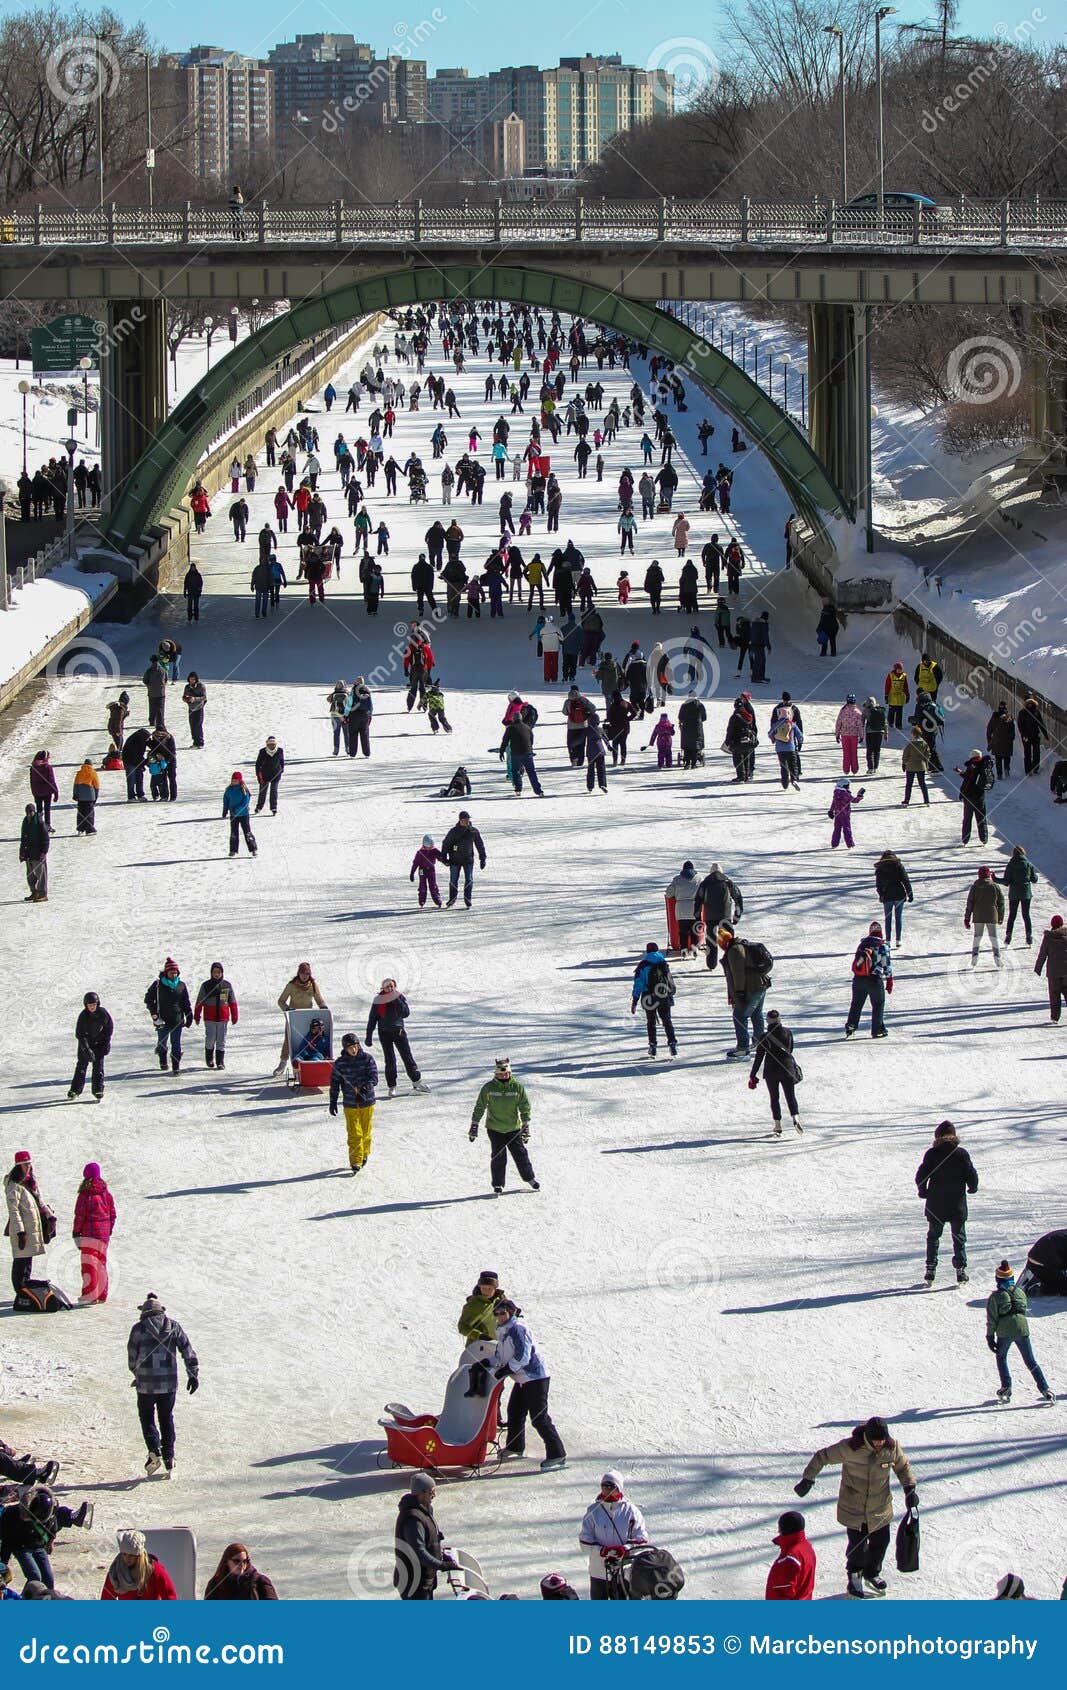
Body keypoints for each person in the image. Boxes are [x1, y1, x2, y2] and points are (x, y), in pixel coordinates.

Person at [794, 1416, 918, 1599]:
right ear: (867, 1436)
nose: (879, 1443)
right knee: (858, 1548)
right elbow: (822, 1456)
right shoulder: (850, 1447)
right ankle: (854, 1576)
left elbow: (903, 1467)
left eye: (882, 1439)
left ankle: (871, 1573)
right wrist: (808, 1479)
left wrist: (909, 1490)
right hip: (854, 1508)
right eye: (875, 1439)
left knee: (881, 1543)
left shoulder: (891, 1448)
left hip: (880, 1507)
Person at [127, 1292, 199, 1478]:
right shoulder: (174, 1327)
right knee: (166, 1417)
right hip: (168, 1384)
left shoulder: (138, 1329)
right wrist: (193, 1374)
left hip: (146, 1385)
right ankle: (169, 1456)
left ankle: (154, 1451)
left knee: (147, 1417)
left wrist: (137, 1373)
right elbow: (187, 1350)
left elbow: (132, 1357)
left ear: (144, 1312)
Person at [493, 1299, 565, 1469]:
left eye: (503, 1313)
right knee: (515, 1411)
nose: (499, 1317)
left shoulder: (518, 1329)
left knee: (539, 1418)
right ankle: (515, 1446)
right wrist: (488, 1363)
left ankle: (557, 1454)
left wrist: (507, 1369)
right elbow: (500, 1354)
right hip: (522, 1379)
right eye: (496, 1314)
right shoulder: (503, 1331)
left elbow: (523, 1356)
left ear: (510, 1312)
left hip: (535, 1378)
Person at [915, 1121, 978, 1287]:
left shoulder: (932, 1154)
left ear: (937, 1136)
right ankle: (960, 1271)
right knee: (959, 1237)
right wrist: (973, 1187)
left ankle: (930, 1269)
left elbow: (921, 1175)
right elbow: (971, 1174)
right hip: (957, 1204)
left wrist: (923, 1191)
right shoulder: (961, 1154)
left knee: (933, 1237)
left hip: (936, 1204)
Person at [986, 1261, 1054, 1404]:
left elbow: (992, 1318)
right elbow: (1022, 1309)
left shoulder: (996, 1297)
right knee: (1030, 1361)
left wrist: (990, 1336)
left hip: (1005, 1331)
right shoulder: (1020, 1292)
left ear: (998, 1279)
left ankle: (1006, 1387)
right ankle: (1045, 1389)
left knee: (1001, 1357)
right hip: (1022, 1328)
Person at [469, 1057, 537, 1195]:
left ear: (510, 1073)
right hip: (495, 1128)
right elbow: (480, 1106)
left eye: (506, 1073)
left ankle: (530, 1178)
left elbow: (525, 1106)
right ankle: (498, 1184)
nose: (503, 1076)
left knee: (521, 1154)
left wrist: (525, 1124)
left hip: (513, 1128)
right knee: (498, 1157)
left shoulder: (517, 1087)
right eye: (500, 1074)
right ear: (496, 1073)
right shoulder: (488, 1088)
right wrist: (474, 1124)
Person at [0, 1488, 91, 1590]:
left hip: (38, 1544)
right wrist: (3, 1563)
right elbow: (7, 1540)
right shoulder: (12, 1515)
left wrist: (51, 1540)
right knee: (35, 1577)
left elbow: (53, 1524)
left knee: (48, 1580)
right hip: (20, 1546)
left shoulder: (52, 1508)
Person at [579, 1473, 649, 1599]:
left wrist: (626, 1549)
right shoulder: (593, 1511)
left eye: (610, 1486)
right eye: (603, 1486)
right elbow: (584, 1542)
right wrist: (602, 1551)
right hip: (598, 1572)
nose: (606, 1489)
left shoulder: (631, 1511)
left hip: (623, 1572)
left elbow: (642, 1539)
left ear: (619, 1487)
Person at [394, 1473, 458, 1600]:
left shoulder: (424, 1511)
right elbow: (419, 1553)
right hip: (414, 1585)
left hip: (424, 1582)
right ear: (421, 1493)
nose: (434, 1495)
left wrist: (440, 1554)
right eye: (431, 1492)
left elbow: (429, 1540)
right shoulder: (413, 1520)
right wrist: (441, 1565)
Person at [365, 980, 428, 1098]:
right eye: (386, 987)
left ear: (394, 987)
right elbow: (372, 1018)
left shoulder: (399, 997)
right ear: (382, 988)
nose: (389, 988)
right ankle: (392, 1085)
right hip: (384, 1032)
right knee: (390, 1060)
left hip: (398, 1031)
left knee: (407, 1057)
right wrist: (369, 1035)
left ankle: (416, 1081)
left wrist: (396, 1000)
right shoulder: (378, 1000)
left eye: (391, 986)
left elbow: (405, 1013)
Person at [328, 1033, 379, 1174]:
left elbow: (374, 1077)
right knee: (354, 1133)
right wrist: (333, 1101)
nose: (354, 1050)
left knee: (365, 1132)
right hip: (350, 1104)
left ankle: (364, 1153)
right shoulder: (340, 1063)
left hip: (367, 1102)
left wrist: (365, 1088)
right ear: (345, 1048)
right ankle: (356, 1160)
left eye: (355, 1046)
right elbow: (335, 1083)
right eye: (350, 1048)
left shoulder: (367, 1059)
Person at [748, 1010, 803, 1135]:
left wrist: (753, 1074)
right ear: (780, 1020)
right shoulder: (788, 1033)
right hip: (787, 1069)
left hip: (771, 1071)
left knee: (774, 1098)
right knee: (790, 1096)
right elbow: (791, 1049)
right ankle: (796, 1118)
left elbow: (759, 1058)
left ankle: (777, 1124)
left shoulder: (764, 1037)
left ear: (767, 1021)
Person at [5, 1154, 51, 1300]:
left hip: (31, 1230)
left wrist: (50, 1216)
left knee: (27, 1260)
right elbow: (14, 1211)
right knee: (21, 1260)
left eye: (30, 1164)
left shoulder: (31, 1183)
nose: (29, 1167)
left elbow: (40, 1203)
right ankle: (20, 1290)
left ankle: (25, 1290)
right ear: (19, 1166)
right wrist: (20, 1232)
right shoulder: (14, 1186)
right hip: (23, 1231)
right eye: (25, 1164)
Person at [718, 924, 769, 1057]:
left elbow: (738, 974)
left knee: (739, 1016)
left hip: (751, 988)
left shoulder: (734, 950)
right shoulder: (740, 945)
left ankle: (743, 1047)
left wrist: (739, 993)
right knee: (756, 1014)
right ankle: (759, 1043)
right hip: (760, 985)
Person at [72, 1161, 116, 1305]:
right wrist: (108, 1230)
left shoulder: (85, 1195)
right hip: (103, 1236)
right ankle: (102, 1295)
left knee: (89, 1265)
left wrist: (76, 1231)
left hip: (89, 1234)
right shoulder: (106, 1193)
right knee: (101, 1264)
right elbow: (113, 1214)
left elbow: (80, 1215)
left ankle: (89, 1295)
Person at [275, 962, 327, 1075]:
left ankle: (307, 1062)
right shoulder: (291, 985)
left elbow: (319, 999)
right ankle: (282, 1063)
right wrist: (287, 1009)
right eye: (302, 973)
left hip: (307, 1017)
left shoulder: (312, 985)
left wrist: (323, 1007)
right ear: (298, 973)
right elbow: (281, 1001)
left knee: (308, 1039)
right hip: (294, 1017)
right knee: (289, 1040)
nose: (304, 976)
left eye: (307, 974)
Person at [144, 957, 193, 1075]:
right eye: (171, 972)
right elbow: (148, 999)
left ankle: (176, 1067)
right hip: (162, 1020)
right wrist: (154, 1015)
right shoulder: (157, 985)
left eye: (176, 972)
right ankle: (163, 1060)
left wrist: (189, 1015)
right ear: (166, 972)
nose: (174, 974)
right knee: (162, 1041)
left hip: (177, 1019)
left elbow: (186, 1002)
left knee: (176, 1043)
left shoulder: (181, 985)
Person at [630, 941, 677, 1058]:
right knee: (667, 1020)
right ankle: (672, 1044)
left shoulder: (643, 965)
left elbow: (638, 985)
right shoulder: (663, 963)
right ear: (657, 950)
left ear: (647, 951)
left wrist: (635, 1001)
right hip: (663, 996)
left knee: (651, 1022)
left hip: (649, 997)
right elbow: (670, 981)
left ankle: (653, 1046)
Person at [846, 922, 892, 1039]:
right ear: (881, 933)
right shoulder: (882, 945)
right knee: (878, 1003)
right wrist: (889, 979)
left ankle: (851, 1026)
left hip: (859, 978)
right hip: (874, 979)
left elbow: (858, 961)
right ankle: (877, 1030)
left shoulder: (862, 944)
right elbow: (886, 964)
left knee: (856, 1003)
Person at [101, 1529, 179, 1599]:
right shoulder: (116, 1572)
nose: (127, 1558)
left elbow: (170, 1597)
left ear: (139, 1555)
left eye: (131, 1555)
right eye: (124, 1554)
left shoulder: (154, 1570)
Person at [68, 990, 112, 1101]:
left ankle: (98, 1089)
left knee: (98, 1067)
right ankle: (75, 1090)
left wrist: (106, 1043)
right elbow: (79, 1034)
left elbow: (109, 1028)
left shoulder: (103, 1013)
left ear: (97, 1004)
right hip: (85, 1043)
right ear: (86, 1005)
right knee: (81, 1067)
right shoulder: (83, 1016)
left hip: (99, 1043)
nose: (92, 1007)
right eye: (89, 1005)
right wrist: (86, 1049)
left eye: (94, 1005)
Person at [194, 963, 238, 1070]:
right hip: (210, 1017)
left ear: (222, 973)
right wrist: (197, 1015)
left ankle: (220, 1061)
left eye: (219, 972)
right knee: (210, 1038)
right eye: (214, 972)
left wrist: (234, 1014)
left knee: (221, 1040)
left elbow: (232, 1001)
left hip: (223, 1017)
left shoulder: (227, 985)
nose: (217, 974)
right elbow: (200, 1001)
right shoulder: (206, 985)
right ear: (211, 973)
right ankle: (209, 1059)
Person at [765, 1511, 816, 1600]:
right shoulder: (807, 1547)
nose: (778, 1531)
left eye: (780, 1528)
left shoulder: (789, 1560)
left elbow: (782, 1593)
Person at [441, 811, 486, 909]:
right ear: (460, 820)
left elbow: (480, 845)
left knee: (469, 880)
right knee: (453, 880)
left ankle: (467, 899)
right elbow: (446, 844)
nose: (467, 821)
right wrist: (444, 858)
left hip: (468, 860)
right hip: (455, 860)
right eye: (465, 819)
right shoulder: (453, 831)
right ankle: (452, 899)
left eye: (468, 819)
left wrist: (483, 858)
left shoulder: (473, 831)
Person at [204, 1544, 278, 1600]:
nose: (242, 1565)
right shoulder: (215, 1583)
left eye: (245, 1561)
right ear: (226, 1562)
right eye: (237, 1561)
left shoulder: (260, 1581)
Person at [964, 865, 1005, 967]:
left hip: (978, 916)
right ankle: (997, 957)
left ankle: (974, 956)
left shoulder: (974, 887)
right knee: (994, 937)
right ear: (989, 875)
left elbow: (970, 903)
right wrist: (1000, 916)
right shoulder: (995, 886)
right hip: (992, 915)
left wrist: (967, 918)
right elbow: (1001, 902)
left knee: (977, 937)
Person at [874, 850, 913, 946]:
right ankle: (898, 940)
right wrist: (910, 893)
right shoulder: (898, 866)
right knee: (898, 918)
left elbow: (878, 885)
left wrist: (881, 895)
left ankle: (888, 940)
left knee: (888, 918)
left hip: (887, 896)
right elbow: (905, 880)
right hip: (899, 895)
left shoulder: (880, 868)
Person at [1001, 845, 1037, 946]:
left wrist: (995, 879)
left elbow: (1006, 881)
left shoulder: (1011, 864)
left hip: (1014, 894)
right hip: (1026, 893)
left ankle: (1008, 936)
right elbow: (1034, 879)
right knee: (1026, 915)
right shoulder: (1028, 864)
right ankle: (1029, 936)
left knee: (1012, 915)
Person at [1034, 914, 1067, 1024]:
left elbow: (1042, 954)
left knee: (1054, 995)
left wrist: (1038, 968)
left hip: (1053, 973)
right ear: (1062, 924)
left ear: (1052, 925)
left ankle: (1055, 1017)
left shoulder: (1048, 938)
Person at [957, 750, 992, 845]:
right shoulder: (983, 765)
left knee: (967, 819)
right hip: (980, 796)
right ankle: (984, 839)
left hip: (969, 797)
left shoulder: (972, 765)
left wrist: (962, 794)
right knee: (981, 818)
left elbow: (968, 781)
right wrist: (961, 773)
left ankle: (965, 839)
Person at [665, 861, 699, 956]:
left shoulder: (677, 879)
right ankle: (694, 948)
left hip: (681, 908)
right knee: (694, 930)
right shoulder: (699, 878)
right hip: (695, 908)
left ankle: (683, 949)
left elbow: (669, 893)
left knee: (683, 931)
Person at [222, 772, 257, 859]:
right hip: (233, 816)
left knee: (247, 832)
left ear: (240, 781)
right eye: (232, 780)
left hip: (243, 815)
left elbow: (245, 803)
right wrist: (225, 810)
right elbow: (225, 800)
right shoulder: (229, 790)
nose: (234, 782)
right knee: (234, 833)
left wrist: (236, 809)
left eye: (236, 781)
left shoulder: (244, 790)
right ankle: (233, 850)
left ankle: (253, 849)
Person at [19, 804, 49, 902]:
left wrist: (44, 852)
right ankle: (34, 892)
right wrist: (22, 852)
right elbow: (23, 838)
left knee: (41, 874)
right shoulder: (25, 822)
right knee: (30, 875)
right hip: (28, 853)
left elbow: (45, 839)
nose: (29, 814)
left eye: (30, 812)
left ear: (34, 811)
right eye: (27, 812)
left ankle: (42, 894)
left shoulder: (40, 822)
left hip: (38, 853)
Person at [828, 778, 864, 849]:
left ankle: (834, 844)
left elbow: (834, 803)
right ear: (844, 786)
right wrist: (860, 796)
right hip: (845, 815)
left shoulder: (836, 793)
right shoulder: (845, 794)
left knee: (837, 829)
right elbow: (854, 800)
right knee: (847, 829)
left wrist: (831, 811)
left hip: (837, 814)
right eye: (848, 785)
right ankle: (850, 844)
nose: (849, 787)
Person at [900, 726, 932, 806]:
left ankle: (906, 800)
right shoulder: (924, 744)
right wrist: (925, 762)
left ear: (913, 734)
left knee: (909, 784)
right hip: (921, 766)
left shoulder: (910, 744)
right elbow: (928, 754)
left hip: (910, 766)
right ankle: (926, 800)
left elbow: (905, 755)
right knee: (922, 784)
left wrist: (904, 763)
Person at [29, 750, 58, 833]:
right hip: (47, 792)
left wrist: (33, 792)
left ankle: (39, 826)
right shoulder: (47, 767)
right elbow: (52, 781)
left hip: (37, 792)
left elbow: (31, 781)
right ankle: (47, 826)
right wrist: (56, 793)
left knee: (39, 810)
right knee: (47, 809)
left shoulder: (33, 767)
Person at [254, 737, 284, 816]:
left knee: (274, 791)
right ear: (267, 744)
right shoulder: (262, 752)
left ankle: (273, 807)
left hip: (276, 775)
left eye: (273, 744)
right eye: (270, 744)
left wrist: (281, 770)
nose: (271, 746)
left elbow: (282, 762)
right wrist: (258, 775)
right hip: (265, 775)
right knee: (263, 791)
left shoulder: (280, 751)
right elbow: (258, 764)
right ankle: (259, 807)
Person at [1017, 696, 1047, 774]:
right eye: (1028, 703)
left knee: (1036, 753)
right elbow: (1020, 725)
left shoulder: (1036, 712)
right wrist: (1023, 735)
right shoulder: (1022, 713)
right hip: (1026, 736)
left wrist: (1045, 734)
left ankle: (1035, 768)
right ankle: (1028, 770)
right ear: (1026, 704)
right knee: (1027, 753)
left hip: (1035, 735)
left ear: (1034, 704)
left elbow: (1041, 724)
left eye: (1031, 703)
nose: (1030, 705)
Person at [986, 702, 1015, 779]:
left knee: (998, 758)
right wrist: (1011, 738)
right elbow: (1012, 730)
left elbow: (989, 729)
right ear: (1006, 708)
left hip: (997, 741)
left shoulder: (995, 716)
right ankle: (1006, 769)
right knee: (1006, 757)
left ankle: (999, 774)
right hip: (1007, 741)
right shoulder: (1009, 717)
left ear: (999, 708)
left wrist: (989, 741)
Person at [835, 694, 863, 775]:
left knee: (846, 753)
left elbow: (838, 723)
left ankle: (846, 770)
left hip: (844, 735)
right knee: (854, 753)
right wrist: (861, 735)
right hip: (854, 735)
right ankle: (855, 769)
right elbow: (860, 725)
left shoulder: (843, 711)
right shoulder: (857, 712)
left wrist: (837, 734)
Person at [72, 757, 99, 835]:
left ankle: (80, 829)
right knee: (89, 813)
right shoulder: (93, 772)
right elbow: (96, 786)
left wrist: (75, 794)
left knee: (81, 813)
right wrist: (96, 797)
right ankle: (89, 829)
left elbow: (75, 785)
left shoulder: (79, 773)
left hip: (81, 797)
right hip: (90, 796)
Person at [182, 673, 206, 748]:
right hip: (191, 708)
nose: (192, 681)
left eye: (193, 679)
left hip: (199, 708)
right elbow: (184, 696)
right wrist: (185, 699)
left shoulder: (201, 686)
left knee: (198, 725)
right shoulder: (187, 687)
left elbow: (204, 697)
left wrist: (194, 699)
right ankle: (195, 742)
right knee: (192, 725)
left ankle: (200, 742)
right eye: (190, 679)